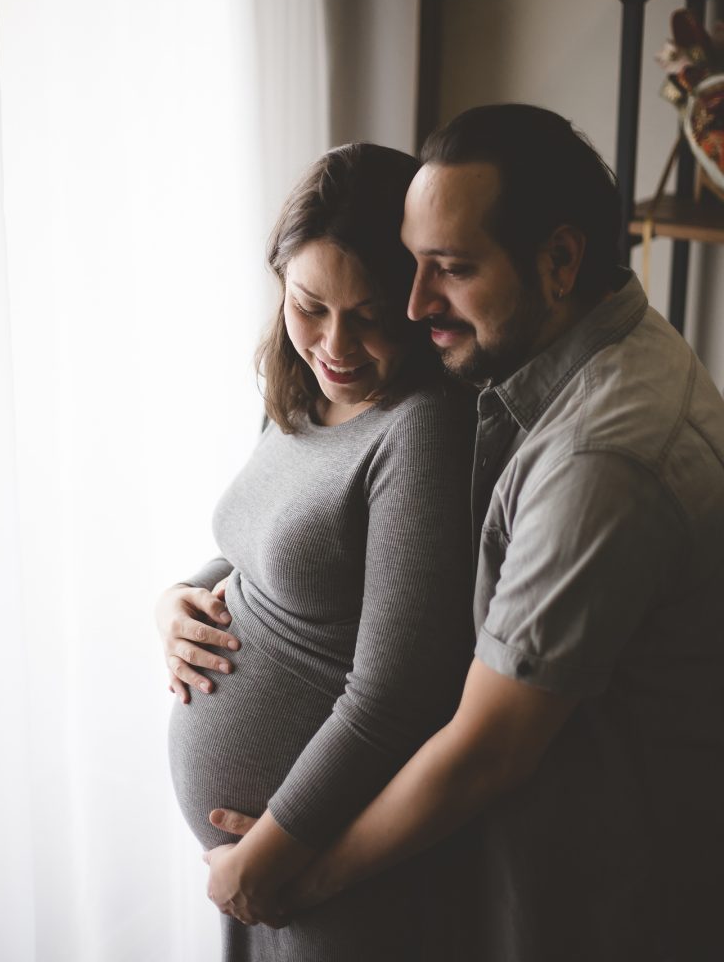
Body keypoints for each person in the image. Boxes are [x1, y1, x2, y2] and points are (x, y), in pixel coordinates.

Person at [208, 105, 724, 962]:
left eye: (449, 270)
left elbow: (486, 749)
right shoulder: (547, 366)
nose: (413, 306)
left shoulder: (601, 458)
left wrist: (305, 874)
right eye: (414, 265)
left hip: (599, 900)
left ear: (560, 261)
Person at [157, 142, 476, 961]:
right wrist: (179, 600)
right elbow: (268, 550)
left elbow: (394, 698)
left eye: (369, 315)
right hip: (262, 864)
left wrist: (271, 852)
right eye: (309, 306)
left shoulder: (421, 429)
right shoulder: (302, 394)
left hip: (325, 873)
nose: (335, 344)